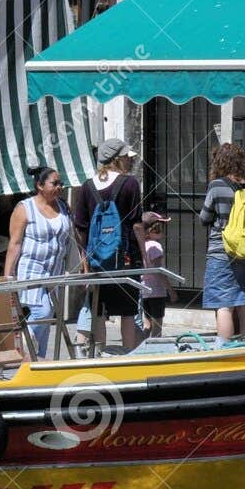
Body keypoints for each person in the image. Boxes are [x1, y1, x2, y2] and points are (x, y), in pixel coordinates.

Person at [73, 137, 146, 352]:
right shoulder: (130, 183)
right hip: (126, 258)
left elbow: (80, 228)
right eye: (127, 157)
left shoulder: (87, 186)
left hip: (97, 261)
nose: (130, 161)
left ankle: (99, 353)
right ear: (117, 159)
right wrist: (145, 255)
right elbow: (136, 225)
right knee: (128, 312)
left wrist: (85, 262)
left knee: (98, 309)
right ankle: (128, 355)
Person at [5, 166, 77, 359]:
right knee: (42, 311)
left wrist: (80, 261)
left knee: (49, 313)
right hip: (32, 270)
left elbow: (71, 238)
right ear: (39, 185)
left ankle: (39, 358)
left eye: (60, 183)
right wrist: (8, 275)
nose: (59, 186)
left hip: (55, 271)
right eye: (54, 183)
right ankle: (25, 352)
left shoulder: (63, 206)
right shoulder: (24, 208)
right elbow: (15, 243)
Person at [199, 143, 245, 344]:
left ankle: (225, 350)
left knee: (223, 304)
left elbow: (204, 217)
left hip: (222, 252)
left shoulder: (217, 185)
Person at [140, 211, 171, 337]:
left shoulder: (143, 245)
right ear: (155, 229)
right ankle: (156, 346)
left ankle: (141, 343)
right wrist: (171, 290)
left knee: (147, 324)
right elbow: (159, 271)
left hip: (144, 290)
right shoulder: (155, 246)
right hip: (157, 291)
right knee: (157, 324)